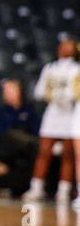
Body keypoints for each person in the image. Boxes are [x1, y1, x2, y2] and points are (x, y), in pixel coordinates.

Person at [25, 38, 79, 203]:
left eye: (69, 46)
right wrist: (53, 95)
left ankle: (63, 190)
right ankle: (36, 187)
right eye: (63, 46)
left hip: (71, 113)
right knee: (44, 151)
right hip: (53, 113)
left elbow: (75, 91)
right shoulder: (50, 68)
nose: (66, 48)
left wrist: (66, 96)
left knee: (69, 154)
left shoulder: (77, 69)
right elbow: (39, 91)